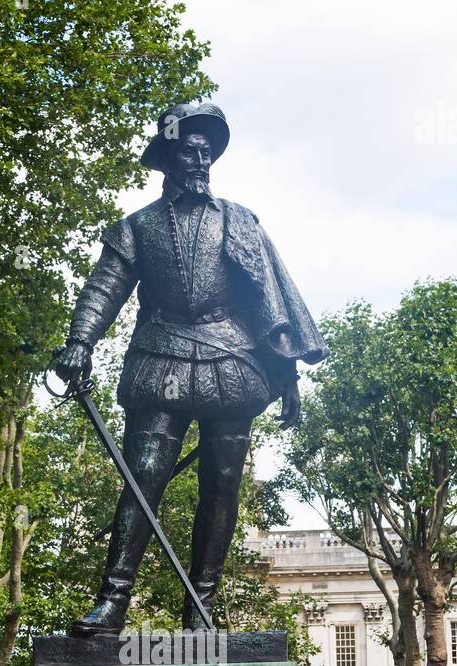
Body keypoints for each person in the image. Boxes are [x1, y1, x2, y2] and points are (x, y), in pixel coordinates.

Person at [54, 101, 327, 634]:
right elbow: (104, 288)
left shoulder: (240, 220)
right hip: (160, 360)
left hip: (232, 362)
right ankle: (113, 602)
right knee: (142, 480)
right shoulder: (137, 227)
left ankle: (200, 611)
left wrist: (288, 372)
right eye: (190, 153)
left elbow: (267, 298)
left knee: (222, 485)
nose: (200, 163)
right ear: (169, 159)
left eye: (207, 155)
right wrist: (80, 341)